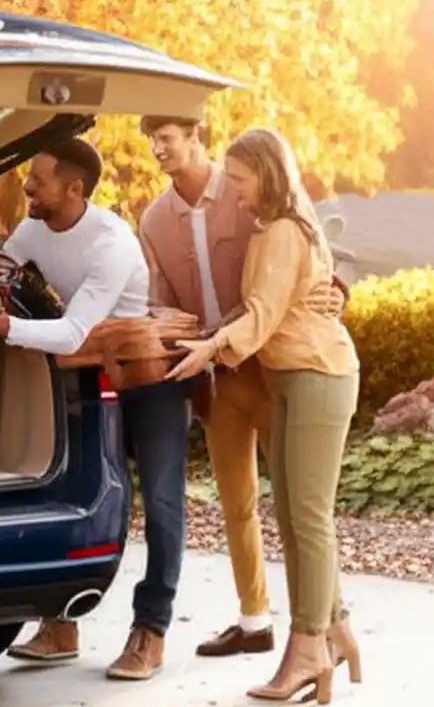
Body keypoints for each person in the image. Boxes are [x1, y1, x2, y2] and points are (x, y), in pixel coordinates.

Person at [0, 137, 190, 682]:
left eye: (37, 180)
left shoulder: (109, 244)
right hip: (88, 374)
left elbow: (71, 333)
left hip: (146, 377)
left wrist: (3, 327)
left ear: (73, 189)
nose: (26, 188)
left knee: (161, 502)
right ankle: (61, 623)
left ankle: (151, 630)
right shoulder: (32, 227)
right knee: (72, 492)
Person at [167, 127, 362, 704]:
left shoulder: (281, 231)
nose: (236, 192)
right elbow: (286, 298)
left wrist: (210, 348)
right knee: (299, 519)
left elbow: (263, 313)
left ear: (268, 174)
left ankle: (308, 650)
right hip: (297, 377)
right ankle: (334, 631)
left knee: (308, 518)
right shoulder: (281, 227)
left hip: (315, 376)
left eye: (243, 181)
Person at [136, 114, 278, 657]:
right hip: (217, 380)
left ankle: (320, 626)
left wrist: (333, 287)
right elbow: (165, 301)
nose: (157, 149)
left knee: (296, 504)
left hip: (269, 366)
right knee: (235, 502)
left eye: (166, 138)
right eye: (151, 140)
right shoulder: (154, 220)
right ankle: (255, 620)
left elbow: (297, 250)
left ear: (197, 138)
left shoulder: (246, 191)